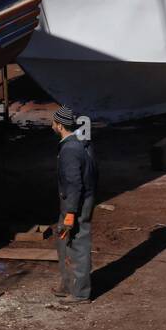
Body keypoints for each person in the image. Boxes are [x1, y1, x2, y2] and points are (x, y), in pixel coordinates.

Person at [52, 106, 97, 304]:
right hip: (77, 200)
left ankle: (80, 293)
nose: (51, 125)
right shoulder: (80, 144)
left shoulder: (70, 150)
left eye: (53, 122)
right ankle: (68, 283)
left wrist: (70, 212)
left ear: (60, 125)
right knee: (64, 240)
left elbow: (74, 183)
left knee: (78, 245)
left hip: (75, 203)